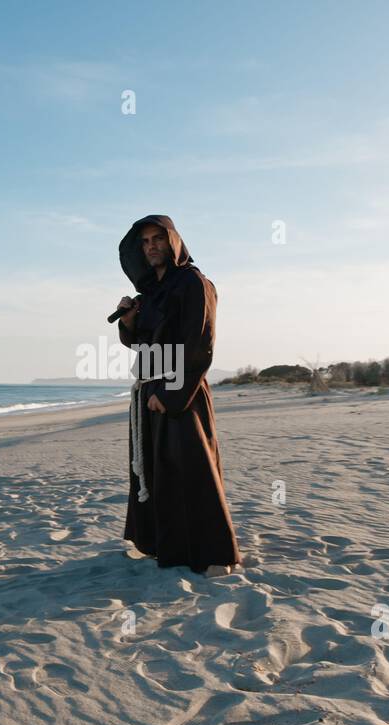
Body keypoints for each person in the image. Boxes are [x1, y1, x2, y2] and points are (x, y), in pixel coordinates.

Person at [113, 215, 241, 577]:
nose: (151, 246)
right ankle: (164, 545)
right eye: (145, 242)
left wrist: (171, 394)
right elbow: (141, 343)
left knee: (192, 468)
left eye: (158, 239)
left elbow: (200, 343)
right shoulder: (150, 292)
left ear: (173, 242)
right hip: (149, 388)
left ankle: (215, 553)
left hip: (181, 391)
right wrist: (128, 321)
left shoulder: (194, 284)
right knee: (156, 473)